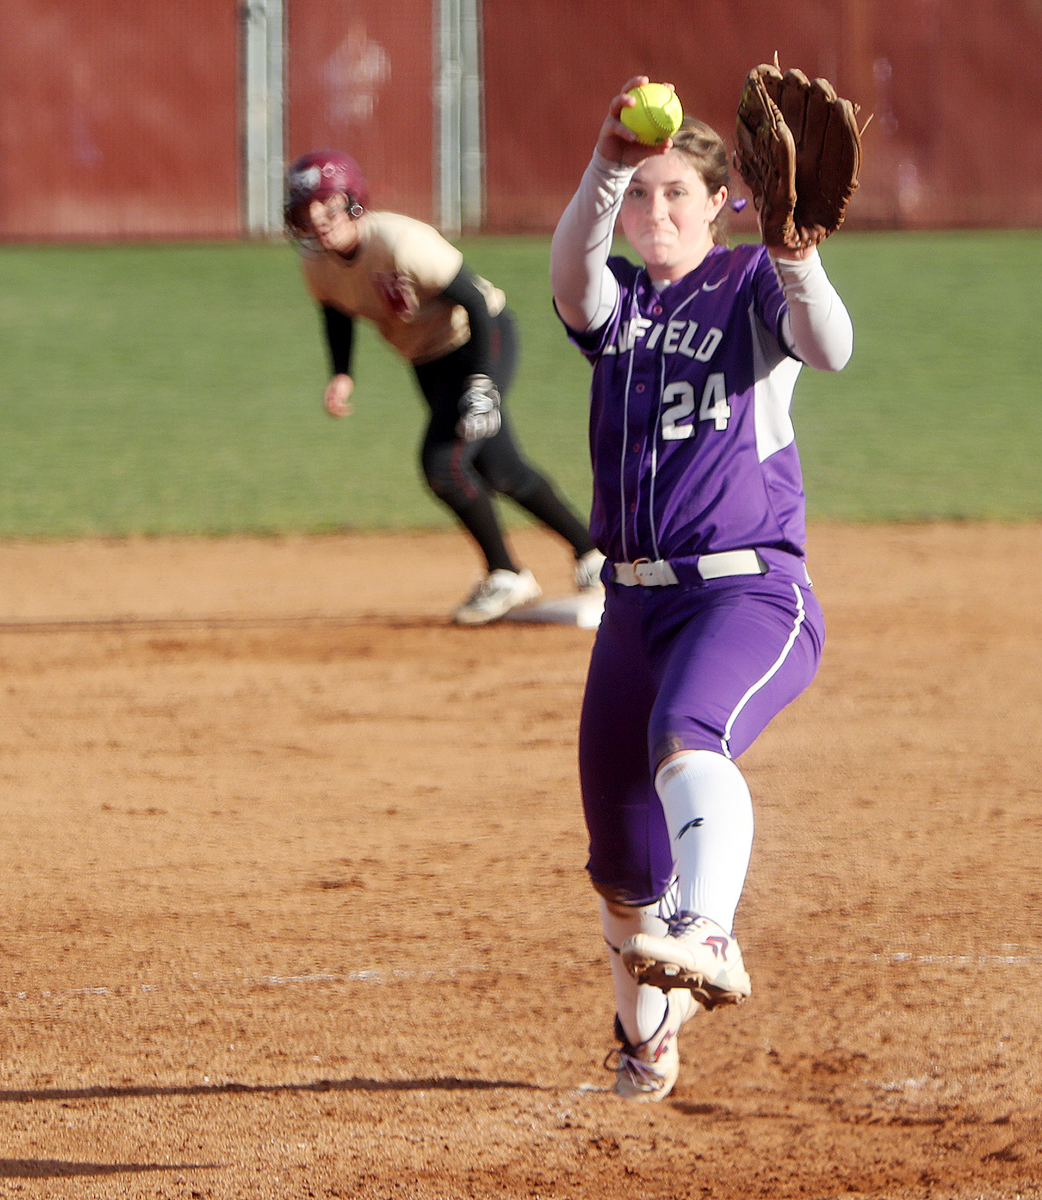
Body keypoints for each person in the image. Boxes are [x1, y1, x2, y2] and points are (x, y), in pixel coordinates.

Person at [549, 78, 854, 1100]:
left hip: (746, 594)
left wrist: (798, 256)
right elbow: (569, 278)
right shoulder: (620, 306)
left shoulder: (750, 284)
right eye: (643, 195)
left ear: (722, 203)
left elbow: (832, 347)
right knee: (622, 870)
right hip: (631, 610)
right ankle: (648, 1041)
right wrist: (607, 161)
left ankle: (712, 929)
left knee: (689, 734)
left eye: (678, 192)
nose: (658, 211)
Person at [285, 150, 603, 625]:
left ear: (353, 200)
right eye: (306, 209)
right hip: (427, 361)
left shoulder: (401, 242)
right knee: (501, 468)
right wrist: (342, 373)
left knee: (444, 465)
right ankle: (592, 554)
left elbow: (475, 302)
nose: (318, 219)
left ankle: (506, 573)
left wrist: (483, 381)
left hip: (480, 341)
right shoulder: (317, 265)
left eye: (327, 204)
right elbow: (337, 311)